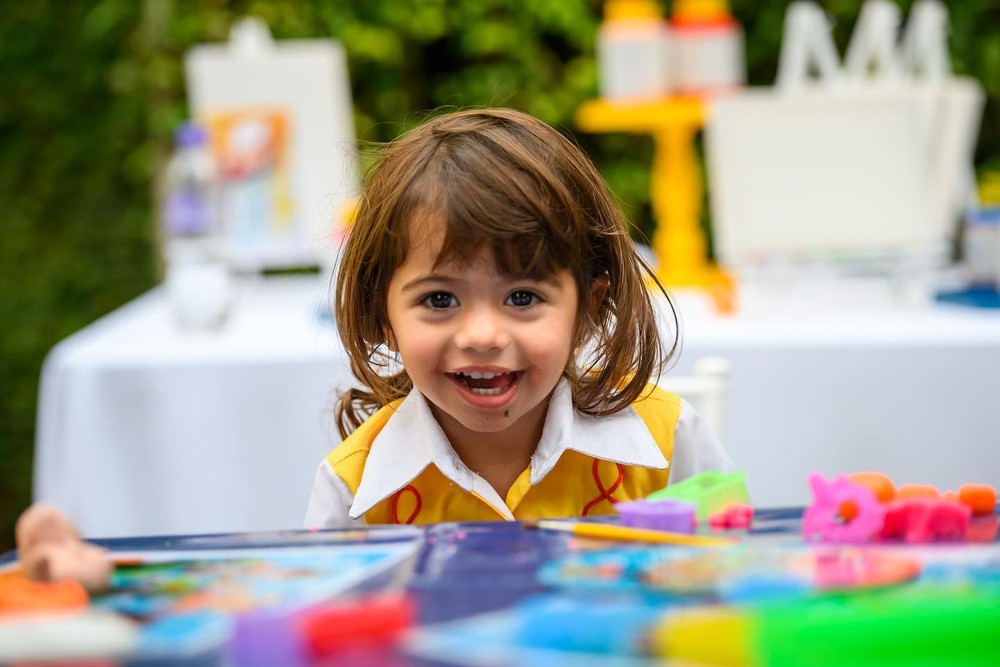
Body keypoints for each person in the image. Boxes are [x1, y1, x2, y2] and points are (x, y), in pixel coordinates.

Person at [305, 107, 734, 528]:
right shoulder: (354, 493)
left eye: (523, 297)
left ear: (587, 309)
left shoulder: (669, 443)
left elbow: (734, 580)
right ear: (384, 318)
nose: (483, 336)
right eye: (439, 300)